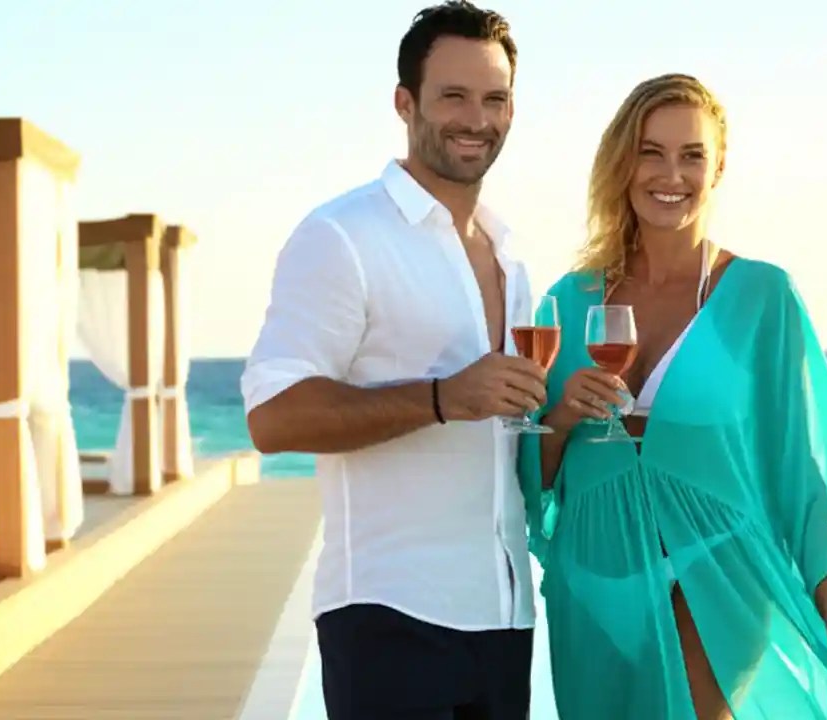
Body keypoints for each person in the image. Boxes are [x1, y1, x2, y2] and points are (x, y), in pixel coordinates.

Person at [518, 73, 827, 719]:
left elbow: (798, 474)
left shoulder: (760, 297)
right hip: (597, 575)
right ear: (621, 162)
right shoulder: (568, 301)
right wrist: (562, 414)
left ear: (718, 169)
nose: (671, 174)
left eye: (692, 155)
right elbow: (533, 480)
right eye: (651, 151)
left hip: (718, 568)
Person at [241, 3, 546, 718]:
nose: (477, 118)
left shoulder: (512, 253)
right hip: (388, 619)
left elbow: (510, 442)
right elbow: (273, 418)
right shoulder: (341, 237)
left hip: (505, 620)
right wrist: (441, 398)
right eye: (453, 96)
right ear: (404, 103)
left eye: (495, 98)